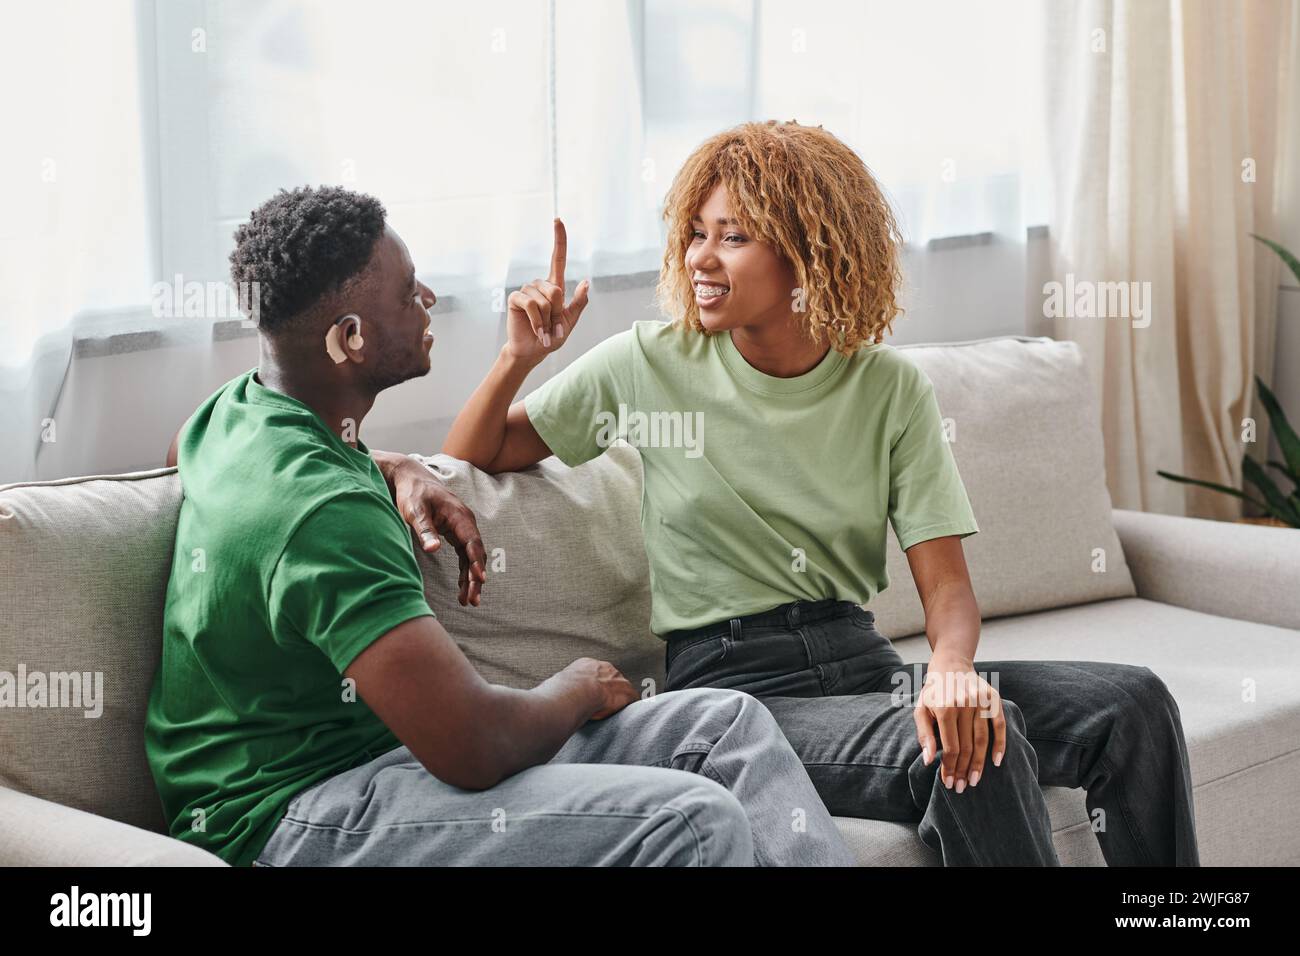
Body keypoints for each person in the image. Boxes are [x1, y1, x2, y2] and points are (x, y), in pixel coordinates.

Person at [443, 121, 1201, 866]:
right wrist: (518, 357)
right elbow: (475, 456)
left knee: (1132, 705)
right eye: (696, 232)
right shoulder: (649, 363)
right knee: (976, 747)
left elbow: (947, 592)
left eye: (733, 236)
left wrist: (951, 670)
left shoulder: (889, 390)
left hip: (858, 660)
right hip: (739, 692)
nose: (701, 257)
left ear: (807, 252)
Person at [144, 184, 856, 868]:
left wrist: (394, 465)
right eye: (408, 290)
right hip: (291, 818)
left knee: (725, 726)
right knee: (694, 823)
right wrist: (575, 688)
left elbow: (197, 458)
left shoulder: (233, 414)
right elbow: (473, 746)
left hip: (385, 768)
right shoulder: (322, 516)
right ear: (349, 339)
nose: (427, 300)